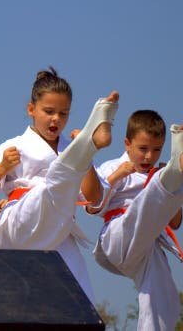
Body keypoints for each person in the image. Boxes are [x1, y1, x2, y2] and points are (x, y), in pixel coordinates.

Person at [0, 67, 117, 303]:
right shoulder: (16, 145)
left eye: (63, 113)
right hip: (20, 222)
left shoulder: (69, 147)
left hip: (58, 227)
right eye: (49, 111)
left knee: (81, 302)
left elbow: (95, 200)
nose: (56, 119)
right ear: (31, 110)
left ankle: (89, 148)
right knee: (52, 186)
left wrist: (85, 159)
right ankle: (89, 144)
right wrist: (2, 168)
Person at [88, 110, 183, 330]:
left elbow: (175, 223)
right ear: (127, 144)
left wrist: (172, 193)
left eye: (157, 150)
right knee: (148, 199)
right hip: (118, 235)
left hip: (146, 244)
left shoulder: (157, 174)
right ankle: (175, 171)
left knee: (163, 296)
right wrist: (116, 177)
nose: (149, 156)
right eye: (143, 149)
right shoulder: (115, 167)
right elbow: (93, 207)